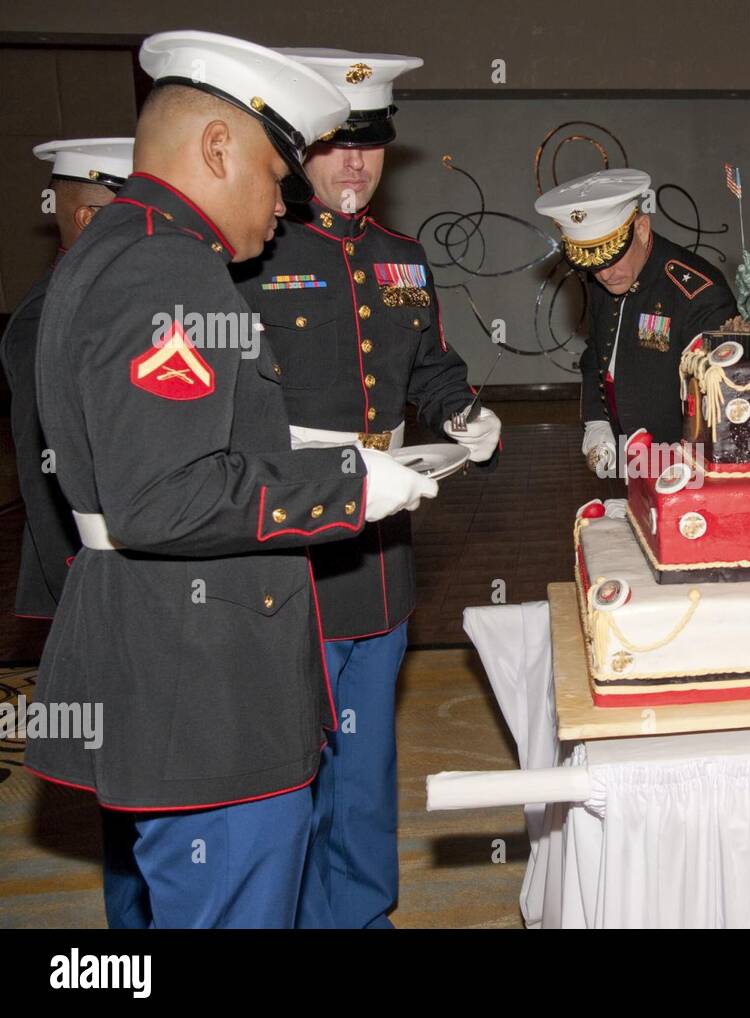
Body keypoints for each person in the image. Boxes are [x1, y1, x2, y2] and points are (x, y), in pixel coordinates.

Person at [28, 30, 439, 929]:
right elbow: (160, 498)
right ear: (216, 148)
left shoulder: (115, 249)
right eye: (273, 168)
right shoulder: (165, 266)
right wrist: (346, 485)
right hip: (203, 687)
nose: (282, 202)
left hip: (171, 660)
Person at [234, 48, 500, 929]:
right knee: (285, 764)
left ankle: (363, 915)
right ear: (301, 149)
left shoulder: (403, 256)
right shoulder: (252, 254)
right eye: (336, 145)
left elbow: (428, 364)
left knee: (368, 756)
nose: (355, 163)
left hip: (381, 550)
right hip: (291, 545)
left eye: (371, 145)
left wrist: (463, 412)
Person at [0, 137, 153, 929]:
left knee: (149, 767)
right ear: (89, 214)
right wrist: (88, 595)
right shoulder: (54, 314)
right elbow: (47, 474)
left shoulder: (108, 295)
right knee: (127, 777)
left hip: (133, 582)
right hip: (99, 583)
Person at [535, 168, 736, 474]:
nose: (604, 275)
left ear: (641, 229)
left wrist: (669, 470)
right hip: (626, 455)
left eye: (612, 258)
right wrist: (597, 420)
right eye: (594, 265)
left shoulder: (698, 293)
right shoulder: (608, 276)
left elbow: (717, 403)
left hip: (679, 464)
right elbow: (596, 354)